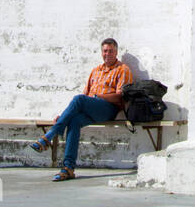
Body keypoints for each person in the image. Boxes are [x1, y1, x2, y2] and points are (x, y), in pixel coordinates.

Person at [29, 38, 133, 181]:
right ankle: (68, 168)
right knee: (74, 121)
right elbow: (85, 95)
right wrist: (64, 115)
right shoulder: (96, 71)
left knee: (79, 99)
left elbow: (121, 96)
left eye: (111, 51)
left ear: (116, 52)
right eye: (105, 51)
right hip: (90, 106)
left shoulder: (122, 69)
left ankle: (50, 135)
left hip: (107, 108)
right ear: (101, 52)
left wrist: (100, 96)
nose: (107, 54)